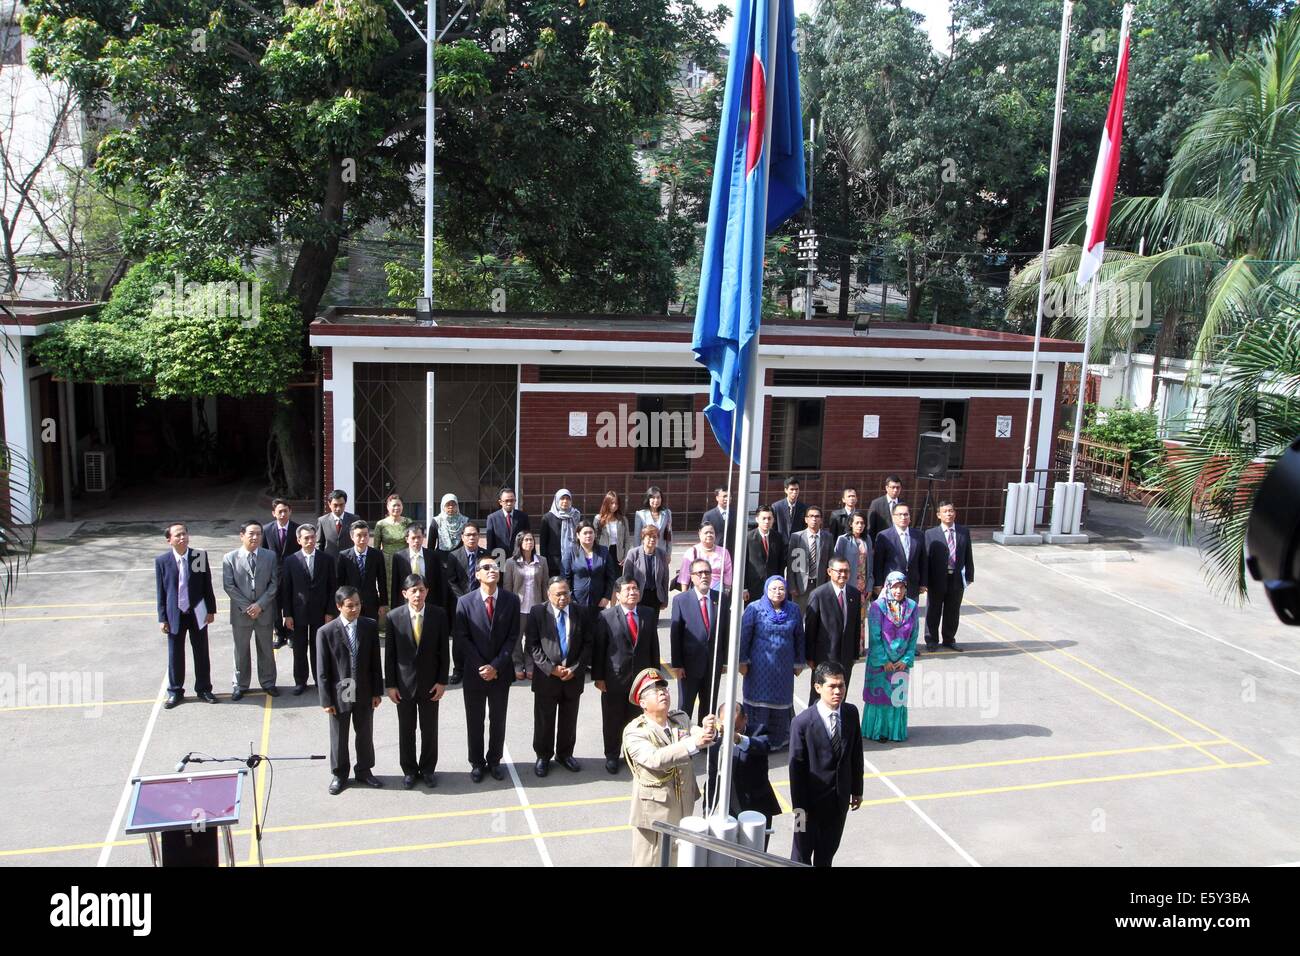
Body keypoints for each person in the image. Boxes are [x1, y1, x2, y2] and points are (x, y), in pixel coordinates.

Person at [621, 668, 717, 867]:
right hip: (655, 816)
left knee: (679, 858)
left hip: (682, 806)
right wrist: (693, 743)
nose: (663, 693)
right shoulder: (635, 732)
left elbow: (699, 735)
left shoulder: (679, 719)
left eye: (664, 690)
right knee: (651, 861)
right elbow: (655, 759)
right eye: (655, 692)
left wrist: (708, 730)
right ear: (642, 703)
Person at [452, 555, 521, 782]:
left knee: (498, 718)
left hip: (500, 672)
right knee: (475, 718)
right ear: (477, 574)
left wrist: (495, 665)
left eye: (495, 567)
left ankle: (494, 760)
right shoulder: (465, 602)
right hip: (475, 672)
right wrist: (482, 665)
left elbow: (512, 637)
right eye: (486, 567)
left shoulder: (511, 600)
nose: (492, 570)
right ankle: (476, 762)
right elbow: (462, 638)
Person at [789, 661, 863, 866]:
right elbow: (796, 770)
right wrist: (799, 810)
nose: (838, 691)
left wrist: (857, 790)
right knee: (800, 856)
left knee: (826, 854)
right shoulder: (802, 723)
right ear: (818, 687)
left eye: (842, 685)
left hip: (838, 803)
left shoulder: (851, 713)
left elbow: (856, 754)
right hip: (807, 806)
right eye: (832, 686)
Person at [317, 586, 384, 795]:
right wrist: (326, 700)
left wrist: (376, 692)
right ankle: (340, 774)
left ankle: (364, 770)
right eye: (350, 606)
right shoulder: (326, 632)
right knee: (339, 735)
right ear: (339, 606)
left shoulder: (369, 626)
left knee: (364, 733)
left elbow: (375, 661)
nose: (355, 609)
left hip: (364, 689)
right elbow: (322, 670)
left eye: (357, 604)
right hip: (341, 692)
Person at [385, 574, 449, 789]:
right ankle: (409, 770)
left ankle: (428, 769)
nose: (418, 594)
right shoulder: (394, 617)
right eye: (413, 590)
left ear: (427, 591)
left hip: (431, 684)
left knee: (429, 730)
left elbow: (443, 652)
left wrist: (442, 681)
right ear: (404, 594)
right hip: (404, 686)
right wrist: (391, 685)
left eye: (421, 590)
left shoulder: (438, 615)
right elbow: (390, 655)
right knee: (407, 730)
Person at [593, 577, 661, 774]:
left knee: (638, 720)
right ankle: (612, 755)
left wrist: (654, 677)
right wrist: (599, 677)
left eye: (635, 589)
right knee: (613, 719)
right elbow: (600, 648)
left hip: (641, 681)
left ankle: (634, 755)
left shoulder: (647, 614)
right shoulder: (606, 616)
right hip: (614, 678)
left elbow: (653, 646)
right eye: (628, 589)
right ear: (618, 595)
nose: (633, 592)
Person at [525, 577, 591, 776]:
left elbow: (588, 643)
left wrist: (576, 669)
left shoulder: (581, 612)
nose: (563, 598)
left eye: (566, 593)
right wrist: (550, 668)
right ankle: (543, 756)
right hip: (547, 677)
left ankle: (565, 754)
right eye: (558, 594)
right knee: (544, 720)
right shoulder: (538, 612)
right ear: (548, 595)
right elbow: (532, 645)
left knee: (569, 719)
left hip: (572, 676)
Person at [738, 575, 805, 751]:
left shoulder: (794, 610)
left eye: (781, 589)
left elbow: (799, 637)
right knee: (758, 701)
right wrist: (742, 661)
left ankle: (778, 740)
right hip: (759, 668)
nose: (778, 592)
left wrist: (799, 662)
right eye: (773, 589)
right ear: (766, 590)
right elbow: (744, 637)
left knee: (781, 701)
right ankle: (756, 739)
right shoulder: (754, 609)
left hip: (783, 669)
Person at [155, 522, 218, 708]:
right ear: (169, 540)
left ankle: (204, 688)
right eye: (178, 535)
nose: (182, 538)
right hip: (175, 614)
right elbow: (161, 592)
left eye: (184, 534)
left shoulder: (198, 557)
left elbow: (206, 584)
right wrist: (162, 618)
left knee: (201, 651)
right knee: (175, 654)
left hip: (197, 612)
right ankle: (175, 691)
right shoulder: (162, 561)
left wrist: (211, 609)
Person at [222, 520, 279, 700]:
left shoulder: (270, 556)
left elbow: (274, 583)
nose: (255, 537)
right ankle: (240, 684)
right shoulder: (230, 558)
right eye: (251, 534)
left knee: (266, 650)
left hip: (264, 612)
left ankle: (268, 682)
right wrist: (248, 607)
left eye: (258, 534)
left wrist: (259, 605)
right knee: (241, 651)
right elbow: (229, 586)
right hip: (241, 614)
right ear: (242, 536)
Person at [279, 524, 338, 694]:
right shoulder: (291, 561)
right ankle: (300, 681)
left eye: (312, 537)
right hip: (298, 613)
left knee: (318, 647)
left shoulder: (326, 559)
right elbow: (287, 589)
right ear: (299, 540)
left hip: (320, 612)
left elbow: (331, 587)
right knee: (299, 648)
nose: (310, 541)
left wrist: (330, 612)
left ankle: (320, 680)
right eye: (306, 538)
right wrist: (287, 614)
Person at [862, 571, 920, 742]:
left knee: (896, 698)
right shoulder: (877, 607)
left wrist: (906, 660)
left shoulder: (912, 607)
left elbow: (914, 634)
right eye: (895, 587)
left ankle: (895, 731)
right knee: (879, 696)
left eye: (902, 587)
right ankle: (877, 731)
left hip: (901, 663)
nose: (898, 591)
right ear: (888, 587)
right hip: (881, 663)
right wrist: (884, 660)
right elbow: (874, 636)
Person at [669, 559, 728, 723]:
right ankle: (684, 740)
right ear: (692, 577)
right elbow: (675, 634)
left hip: (713, 663)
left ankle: (705, 740)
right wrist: (677, 664)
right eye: (699, 573)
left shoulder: (721, 599)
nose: (704, 576)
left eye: (707, 573)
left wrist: (724, 661)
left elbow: (725, 630)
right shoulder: (681, 600)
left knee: (708, 706)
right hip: (688, 665)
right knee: (685, 706)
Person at [803, 557, 863, 705]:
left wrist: (855, 653)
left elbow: (856, 626)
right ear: (830, 572)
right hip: (824, 657)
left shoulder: (854, 594)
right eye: (839, 571)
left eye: (846, 571)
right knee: (820, 697)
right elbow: (810, 630)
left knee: (840, 695)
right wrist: (810, 657)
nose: (843, 574)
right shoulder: (818, 595)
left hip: (846, 657)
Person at [923, 501, 975, 653]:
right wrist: (924, 581)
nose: (949, 514)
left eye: (951, 511)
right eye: (945, 511)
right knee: (933, 610)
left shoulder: (963, 532)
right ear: (939, 515)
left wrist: (970, 575)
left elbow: (968, 555)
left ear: (955, 513)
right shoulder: (930, 534)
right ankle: (931, 640)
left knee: (953, 610)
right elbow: (926, 559)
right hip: (937, 579)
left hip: (957, 578)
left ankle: (949, 639)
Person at [443, 522, 488, 686]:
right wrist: (464, 599)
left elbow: (488, 578)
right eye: (468, 535)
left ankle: (479, 666)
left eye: (474, 534)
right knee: (459, 637)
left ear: (478, 536)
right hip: (460, 603)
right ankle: (458, 669)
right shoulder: (454, 556)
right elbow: (451, 581)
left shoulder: (485, 555)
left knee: (481, 635)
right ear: (462, 537)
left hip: (481, 603)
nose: (471, 537)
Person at [501, 530, 549, 680]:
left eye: (531, 540)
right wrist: (508, 607)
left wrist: (546, 605)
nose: (529, 542)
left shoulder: (542, 561)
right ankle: (517, 664)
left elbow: (545, 585)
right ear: (520, 543)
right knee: (516, 637)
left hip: (535, 606)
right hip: (518, 607)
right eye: (526, 540)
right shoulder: (511, 562)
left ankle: (530, 664)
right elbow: (507, 586)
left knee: (532, 637)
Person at [872, 502, 926, 614]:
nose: (903, 517)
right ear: (893, 517)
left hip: (912, 586)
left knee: (909, 619)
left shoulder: (918, 535)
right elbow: (878, 562)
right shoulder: (884, 536)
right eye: (900, 514)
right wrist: (878, 583)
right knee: (892, 619)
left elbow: (923, 561)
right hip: (892, 586)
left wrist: (923, 583)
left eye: (906, 514)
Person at [263, 499, 300, 649]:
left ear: (290, 511)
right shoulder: (266, 530)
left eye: (286, 511)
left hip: (293, 573)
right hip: (274, 575)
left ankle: (291, 634)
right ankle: (279, 633)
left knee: (292, 604)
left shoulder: (298, 529)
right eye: (280, 511)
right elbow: (264, 552)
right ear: (274, 513)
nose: (283, 514)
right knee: (275, 606)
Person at [621, 524, 670, 635]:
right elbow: (626, 578)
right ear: (643, 538)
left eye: (655, 537)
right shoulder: (633, 553)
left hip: (655, 597)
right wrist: (626, 598)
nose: (652, 539)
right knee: (637, 627)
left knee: (652, 629)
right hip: (638, 596)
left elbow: (665, 579)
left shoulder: (661, 554)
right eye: (649, 536)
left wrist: (665, 599)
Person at [563, 521, 614, 625]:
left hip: (599, 600)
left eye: (591, 532)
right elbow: (565, 577)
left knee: (597, 631)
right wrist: (571, 598)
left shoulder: (603, 551)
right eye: (585, 533)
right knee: (578, 630)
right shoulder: (570, 552)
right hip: (577, 600)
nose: (588, 535)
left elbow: (610, 577)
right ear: (578, 535)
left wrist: (606, 597)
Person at [335, 520, 387, 623]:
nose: (363, 539)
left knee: (370, 633)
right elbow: (340, 583)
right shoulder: (344, 556)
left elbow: (382, 580)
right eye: (359, 535)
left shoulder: (377, 555)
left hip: (371, 602)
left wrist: (383, 604)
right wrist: (341, 603)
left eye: (365, 535)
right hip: (350, 603)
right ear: (352, 537)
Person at [787, 506, 834, 612]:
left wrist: (830, 584)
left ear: (821, 520)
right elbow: (791, 564)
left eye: (817, 516)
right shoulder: (796, 537)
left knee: (818, 615)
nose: (814, 519)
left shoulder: (828, 537)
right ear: (806, 519)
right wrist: (792, 586)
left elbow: (831, 563)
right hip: (801, 585)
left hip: (820, 583)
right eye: (811, 516)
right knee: (799, 615)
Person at [389, 523, 443, 614]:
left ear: (423, 538)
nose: (416, 541)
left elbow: (438, 582)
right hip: (406, 603)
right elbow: (395, 584)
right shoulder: (399, 557)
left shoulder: (433, 556)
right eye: (413, 538)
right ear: (407, 539)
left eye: (419, 537)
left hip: (429, 602)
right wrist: (394, 607)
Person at [372, 493, 413, 602]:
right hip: (387, 562)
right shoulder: (380, 524)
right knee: (388, 588)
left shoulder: (408, 522)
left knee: (406, 585)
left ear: (402, 506)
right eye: (394, 505)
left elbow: (412, 542)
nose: (396, 508)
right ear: (388, 507)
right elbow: (376, 548)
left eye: (399, 505)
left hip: (404, 560)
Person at [674, 522, 733, 594]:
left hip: (718, 591)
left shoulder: (724, 552)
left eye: (711, 532)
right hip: (697, 590)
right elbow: (685, 575)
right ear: (700, 534)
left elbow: (728, 572)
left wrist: (726, 591)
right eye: (706, 533)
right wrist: (684, 594)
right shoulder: (692, 552)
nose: (709, 535)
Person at [744, 505, 786, 603]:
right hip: (753, 586)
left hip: (772, 587)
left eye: (769, 518)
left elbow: (781, 563)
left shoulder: (778, 538)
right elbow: (743, 564)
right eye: (764, 518)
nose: (767, 521)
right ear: (757, 519)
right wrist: (744, 588)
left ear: (773, 520)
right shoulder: (748, 538)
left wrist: (780, 583)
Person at [833, 511, 873, 611]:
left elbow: (870, 564)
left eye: (862, 523)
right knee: (846, 615)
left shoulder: (867, 539)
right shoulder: (843, 539)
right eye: (857, 523)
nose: (860, 525)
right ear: (851, 524)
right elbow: (836, 563)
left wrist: (869, 586)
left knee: (860, 618)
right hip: (847, 582)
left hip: (863, 584)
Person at [538, 488, 581, 572]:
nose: (565, 501)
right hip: (554, 563)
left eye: (568, 499)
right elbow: (543, 543)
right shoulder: (548, 518)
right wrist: (544, 562)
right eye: (562, 498)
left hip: (575, 560)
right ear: (556, 500)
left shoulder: (576, 516)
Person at [484, 487, 531, 559]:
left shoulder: (523, 517)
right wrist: (491, 560)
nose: (509, 503)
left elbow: (527, 538)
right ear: (500, 502)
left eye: (512, 501)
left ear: (515, 501)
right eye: (506, 501)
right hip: (500, 558)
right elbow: (490, 543)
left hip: (518, 557)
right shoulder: (492, 518)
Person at [316, 490, 359, 557]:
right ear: (329, 504)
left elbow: (358, 540)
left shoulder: (354, 519)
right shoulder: (322, 521)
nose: (338, 508)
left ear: (345, 503)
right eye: (335, 505)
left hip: (349, 559)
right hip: (330, 560)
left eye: (341, 505)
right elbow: (319, 543)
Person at [594, 490, 631, 565]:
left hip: (619, 554)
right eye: (611, 503)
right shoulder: (598, 519)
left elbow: (627, 539)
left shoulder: (623, 519)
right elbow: (595, 539)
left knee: (618, 576)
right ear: (606, 503)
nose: (614, 506)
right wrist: (596, 555)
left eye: (616, 503)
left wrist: (626, 556)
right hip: (603, 552)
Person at [866, 476, 906, 541]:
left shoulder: (903, 503)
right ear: (887, 488)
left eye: (898, 488)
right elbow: (870, 527)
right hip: (882, 541)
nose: (895, 490)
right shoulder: (876, 504)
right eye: (893, 487)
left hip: (899, 541)